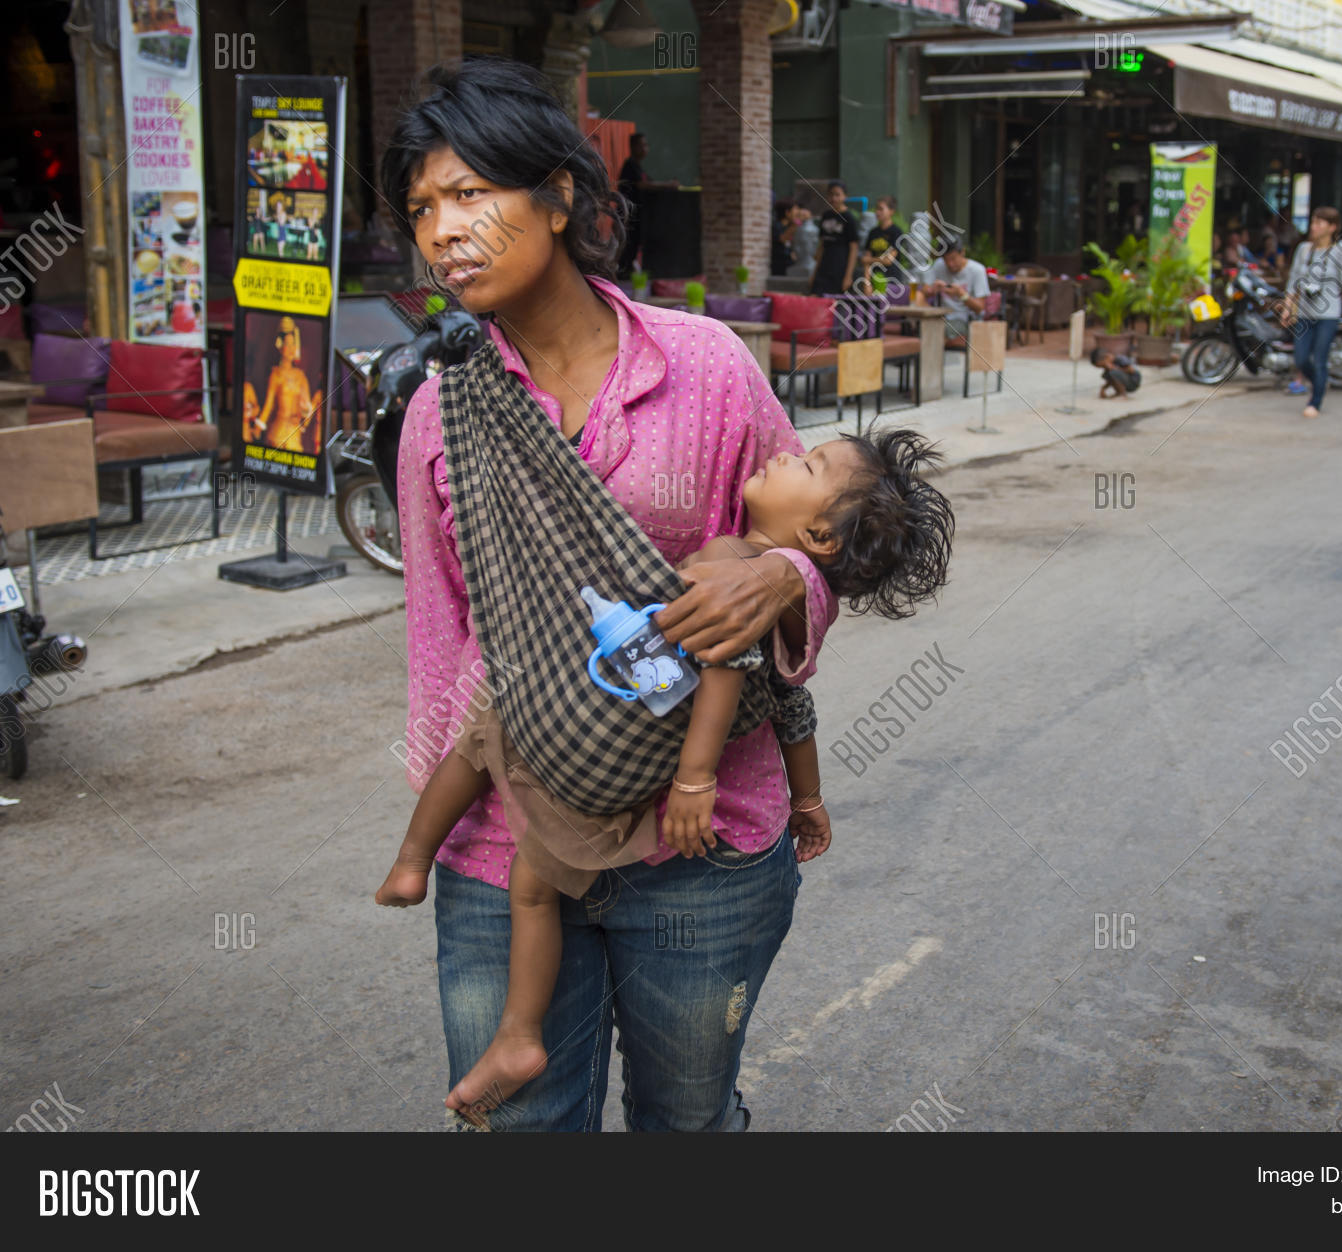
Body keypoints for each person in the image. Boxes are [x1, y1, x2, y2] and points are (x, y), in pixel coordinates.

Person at [381, 57, 842, 1132]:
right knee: (523, 1132)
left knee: (685, 1120)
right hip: (511, 839)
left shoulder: (707, 367)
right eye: (421, 209)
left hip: (703, 840)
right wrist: (446, 819)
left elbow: (813, 542)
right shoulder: (439, 418)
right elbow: (440, 639)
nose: (443, 230)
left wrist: (785, 577)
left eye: (469, 193)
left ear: (558, 197)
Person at [376, 427, 953, 1125]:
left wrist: (694, 780)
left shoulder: (728, 560)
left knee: (502, 809)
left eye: (807, 463)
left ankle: (503, 1007)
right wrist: (809, 801)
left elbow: (722, 669)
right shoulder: (760, 577)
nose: (784, 452)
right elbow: (794, 716)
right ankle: (501, 1006)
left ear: (820, 535)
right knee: (525, 858)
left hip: (604, 748)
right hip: (613, 747)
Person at [1280, 205, 1342, 420]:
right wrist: (1287, 307)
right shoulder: (1303, 250)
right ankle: (1320, 382)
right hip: (1304, 312)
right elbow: (1294, 280)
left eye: (1319, 223)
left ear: (1332, 227)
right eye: (1313, 222)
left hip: (1328, 314)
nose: (1314, 227)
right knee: (1301, 359)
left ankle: (1315, 401)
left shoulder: (1340, 252)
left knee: (1320, 359)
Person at [252, 316, 323, 453]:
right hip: (277, 431)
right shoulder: (276, 374)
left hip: (294, 433)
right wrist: (258, 427)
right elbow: (268, 405)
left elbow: (307, 408)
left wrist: (308, 410)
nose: (291, 349)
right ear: (280, 346)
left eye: (293, 344)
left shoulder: (300, 376)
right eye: (287, 344)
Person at [614, 132, 677, 281]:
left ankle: (628, 276)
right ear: (633, 147)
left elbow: (649, 182)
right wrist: (667, 185)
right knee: (627, 248)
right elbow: (643, 185)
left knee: (634, 247)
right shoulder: (629, 166)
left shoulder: (638, 167)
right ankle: (623, 278)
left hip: (637, 216)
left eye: (646, 145)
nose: (645, 148)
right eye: (641, 145)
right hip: (627, 215)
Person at [920, 239, 989, 340]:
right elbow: (924, 291)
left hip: (966, 320)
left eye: (953, 259)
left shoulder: (977, 270)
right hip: (941, 317)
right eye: (946, 260)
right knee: (923, 328)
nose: (950, 264)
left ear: (963, 252)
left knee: (937, 331)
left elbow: (980, 308)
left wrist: (961, 295)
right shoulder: (939, 265)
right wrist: (932, 290)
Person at [810, 179, 860, 295]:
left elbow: (854, 248)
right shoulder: (826, 215)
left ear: (845, 196)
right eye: (831, 194)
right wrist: (814, 274)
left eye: (838, 195)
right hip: (824, 267)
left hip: (840, 268)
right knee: (815, 299)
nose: (834, 198)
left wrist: (848, 276)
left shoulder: (849, 218)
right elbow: (822, 245)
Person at [860, 195, 908, 287]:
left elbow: (888, 260)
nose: (877, 212)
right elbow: (866, 260)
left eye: (881, 209)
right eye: (876, 209)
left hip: (892, 280)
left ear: (891, 211)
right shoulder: (873, 232)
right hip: (874, 278)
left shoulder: (896, 232)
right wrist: (867, 283)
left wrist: (869, 260)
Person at [771, 199, 799, 276]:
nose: (798, 212)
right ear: (787, 212)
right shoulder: (776, 226)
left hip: (789, 265)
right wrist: (796, 223)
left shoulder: (788, 227)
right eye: (795, 209)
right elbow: (782, 239)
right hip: (779, 267)